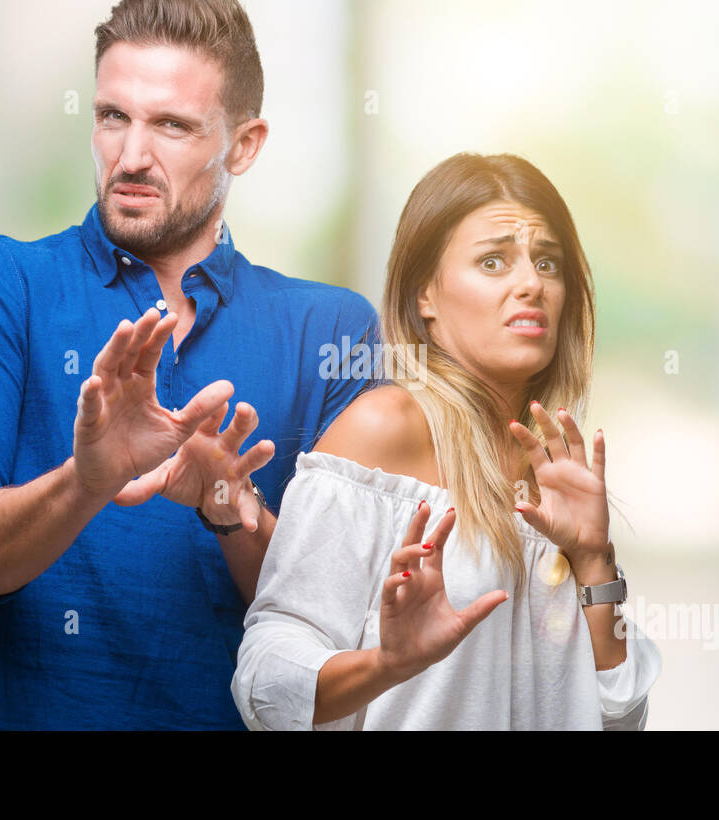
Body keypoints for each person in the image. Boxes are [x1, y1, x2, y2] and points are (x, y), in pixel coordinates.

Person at [0, 0, 376, 730]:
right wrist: (86, 481)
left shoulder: (330, 332)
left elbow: (348, 630)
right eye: (113, 116)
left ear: (244, 145)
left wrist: (232, 510)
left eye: (172, 125)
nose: (131, 156)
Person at [232, 153, 662, 730]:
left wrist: (593, 562)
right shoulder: (384, 431)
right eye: (493, 261)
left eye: (547, 263)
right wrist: (386, 664)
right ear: (424, 297)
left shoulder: (558, 468)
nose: (531, 283)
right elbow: (264, 676)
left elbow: (618, 717)